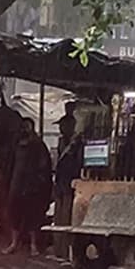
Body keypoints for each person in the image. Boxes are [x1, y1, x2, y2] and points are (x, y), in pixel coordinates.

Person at [4, 118, 53, 257]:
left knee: (33, 216)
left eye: (27, 127)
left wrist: (39, 183)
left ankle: (33, 245)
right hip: (16, 185)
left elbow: (44, 167)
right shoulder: (15, 145)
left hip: (32, 186)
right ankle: (14, 243)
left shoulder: (38, 146)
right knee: (14, 213)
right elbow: (10, 165)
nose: (24, 130)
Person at [53, 108, 84, 255]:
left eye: (63, 125)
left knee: (67, 216)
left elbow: (79, 163)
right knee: (58, 216)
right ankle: (58, 247)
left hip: (70, 182)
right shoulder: (61, 142)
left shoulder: (77, 143)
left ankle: (66, 249)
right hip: (60, 182)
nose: (60, 128)